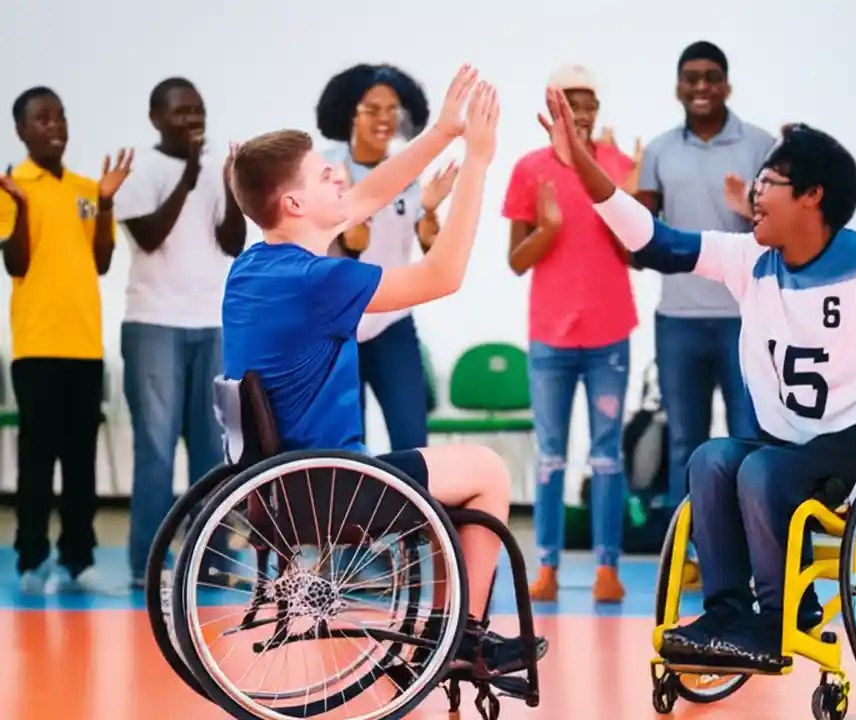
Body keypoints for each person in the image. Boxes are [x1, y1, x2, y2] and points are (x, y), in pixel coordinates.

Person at [543, 87, 856, 669]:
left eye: (768, 182)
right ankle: (726, 610)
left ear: (813, 196)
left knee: (763, 467)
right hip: (788, 445)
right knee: (711, 459)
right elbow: (654, 242)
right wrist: (582, 167)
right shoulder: (749, 259)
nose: (754, 194)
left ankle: (781, 618)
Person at [221, 66, 543, 669]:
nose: (340, 174)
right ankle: (464, 635)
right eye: (324, 174)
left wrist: (444, 130)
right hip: (332, 490)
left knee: (456, 471)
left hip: (277, 491)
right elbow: (442, 277)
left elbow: (368, 196)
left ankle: (449, 626)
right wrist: (476, 161)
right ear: (294, 202)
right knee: (489, 473)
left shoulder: (254, 267)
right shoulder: (318, 280)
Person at [503, 64, 639, 603]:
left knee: (607, 456)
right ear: (550, 109)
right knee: (552, 455)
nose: (579, 114)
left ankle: (608, 566)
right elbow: (515, 261)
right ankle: (548, 567)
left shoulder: (617, 166)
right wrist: (549, 229)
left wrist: (626, 205)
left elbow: (636, 254)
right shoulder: (529, 170)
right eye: (568, 103)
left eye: (587, 104)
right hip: (550, 341)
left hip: (609, 336)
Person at [113, 77, 247, 588]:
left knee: (212, 452)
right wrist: (190, 172)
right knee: (156, 447)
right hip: (154, 324)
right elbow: (149, 237)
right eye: (181, 113)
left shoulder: (218, 169)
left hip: (211, 323)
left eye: (199, 111)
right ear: (155, 118)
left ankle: (208, 563)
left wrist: (230, 188)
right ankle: (146, 565)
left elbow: (233, 242)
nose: (193, 120)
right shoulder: (139, 171)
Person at [0, 86, 133, 595]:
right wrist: (20, 204)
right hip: (36, 347)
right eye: (41, 118)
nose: (54, 126)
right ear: (21, 131)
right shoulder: (12, 187)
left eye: (60, 117)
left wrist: (103, 204)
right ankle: (30, 561)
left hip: (85, 347)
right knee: (38, 462)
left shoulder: (85, 188)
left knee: (80, 462)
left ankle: (78, 561)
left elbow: (100, 261)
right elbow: (15, 263)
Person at [635, 40, 775, 512]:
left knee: (749, 442)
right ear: (678, 87)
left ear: (727, 85)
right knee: (684, 444)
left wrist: (749, 207)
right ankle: (687, 552)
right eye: (691, 77)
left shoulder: (762, 145)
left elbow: (781, 230)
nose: (701, 86)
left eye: (711, 77)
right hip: (678, 320)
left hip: (746, 319)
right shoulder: (656, 151)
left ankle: (749, 547)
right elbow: (643, 242)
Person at [316, 63, 458, 450]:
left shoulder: (405, 173)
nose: (384, 119)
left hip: (392, 322)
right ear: (349, 112)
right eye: (372, 108)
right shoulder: (326, 168)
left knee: (412, 437)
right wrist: (352, 217)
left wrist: (429, 213)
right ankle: (350, 513)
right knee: (346, 443)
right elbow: (348, 246)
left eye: (392, 109)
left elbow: (430, 246)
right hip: (337, 326)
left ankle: (414, 511)